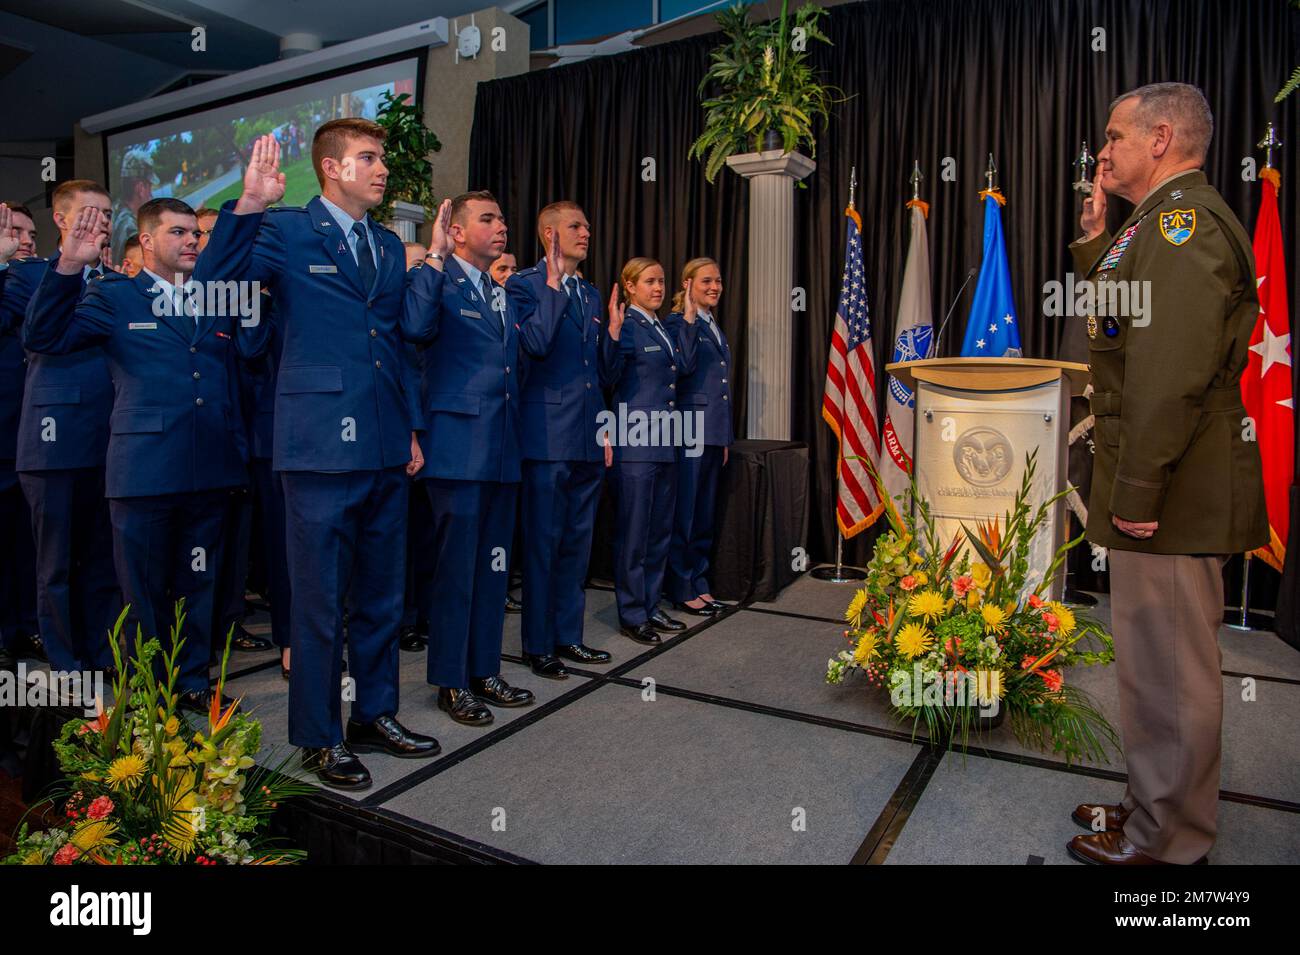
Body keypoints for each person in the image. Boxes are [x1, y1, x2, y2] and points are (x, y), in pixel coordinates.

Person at [1064, 83, 1266, 866]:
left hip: (1169, 489)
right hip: (1155, 479)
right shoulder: (1153, 224)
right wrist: (1097, 242)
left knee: (1173, 674)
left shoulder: (1182, 227)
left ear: (1160, 137)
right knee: (1149, 663)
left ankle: (1171, 842)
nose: (1101, 150)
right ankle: (1151, 803)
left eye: (1114, 136)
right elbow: (1118, 325)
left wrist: (1138, 491)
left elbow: (1167, 375)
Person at [220, 124, 439, 790]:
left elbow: (398, 343)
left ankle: (375, 712)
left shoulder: (384, 243)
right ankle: (320, 734)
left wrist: (409, 427)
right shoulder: (287, 231)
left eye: (379, 159)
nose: (380, 170)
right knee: (319, 601)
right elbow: (214, 280)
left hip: (381, 442)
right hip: (317, 445)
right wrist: (249, 203)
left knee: (381, 595)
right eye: (368, 159)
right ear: (331, 167)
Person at [24, 183, 267, 713]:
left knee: (198, 584)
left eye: (196, 234)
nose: (191, 242)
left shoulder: (215, 297)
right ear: (147, 240)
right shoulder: (114, 296)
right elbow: (44, 336)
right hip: (144, 472)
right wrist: (68, 264)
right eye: (178, 233)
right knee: (144, 591)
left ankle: (194, 682)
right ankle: (151, 689)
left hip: (210, 468)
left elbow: (250, 350)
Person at [406, 192, 565, 724]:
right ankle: (451, 681)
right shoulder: (439, 280)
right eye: (488, 219)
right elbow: (415, 331)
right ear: (455, 230)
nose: (502, 227)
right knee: (456, 572)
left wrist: (552, 281)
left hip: (501, 449)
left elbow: (533, 348)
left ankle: (484, 669)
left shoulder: (501, 291)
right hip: (455, 448)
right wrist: (430, 259)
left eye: (502, 217)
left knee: (494, 569)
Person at [2, 183, 119, 674]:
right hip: (52, 442)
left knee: (101, 560)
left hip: (111, 438)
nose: (102, 222)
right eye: (90, 213)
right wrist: (68, 266)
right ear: (61, 219)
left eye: (109, 214)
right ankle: (65, 661)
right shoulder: (29, 275)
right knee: (54, 564)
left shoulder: (118, 282)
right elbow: (40, 334)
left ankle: (103, 653)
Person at [506, 202, 613, 678]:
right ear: (549, 234)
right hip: (545, 437)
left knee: (577, 543)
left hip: (587, 436)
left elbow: (597, 374)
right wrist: (551, 285)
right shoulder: (524, 285)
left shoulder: (590, 294)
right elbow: (535, 344)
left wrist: (611, 334)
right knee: (543, 544)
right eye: (576, 226)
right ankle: (538, 644)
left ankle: (569, 636)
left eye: (588, 225)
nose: (586, 232)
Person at [603, 257, 699, 644]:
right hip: (635, 442)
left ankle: (650, 604)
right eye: (649, 282)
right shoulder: (626, 325)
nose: (658, 288)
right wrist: (610, 334)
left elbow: (686, 367)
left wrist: (689, 319)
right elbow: (607, 376)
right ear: (630, 286)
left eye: (661, 281)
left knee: (659, 530)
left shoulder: (661, 325)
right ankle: (631, 612)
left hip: (665, 441)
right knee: (634, 533)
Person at [664, 258, 733, 617]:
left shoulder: (714, 324)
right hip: (690, 429)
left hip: (712, 432)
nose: (715, 286)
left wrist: (723, 437)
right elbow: (684, 367)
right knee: (686, 514)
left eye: (718, 280)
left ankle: (699, 582)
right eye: (706, 280)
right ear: (687, 283)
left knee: (704, 515)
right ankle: (680, 586)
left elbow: (720, 388)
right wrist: (689, 319)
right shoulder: (678, 322)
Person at [0, 202, 42, 671]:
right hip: (4, 431)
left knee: (26, 546)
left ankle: (27, 628)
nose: (24, 240)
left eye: (29, 233)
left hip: (32, 440)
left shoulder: (38, 280)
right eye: (14, 231)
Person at [111, 148, 157, 263]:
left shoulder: (115, 212)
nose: (150, 194)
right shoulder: (129, 227)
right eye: (149, 187)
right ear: (140, 188)